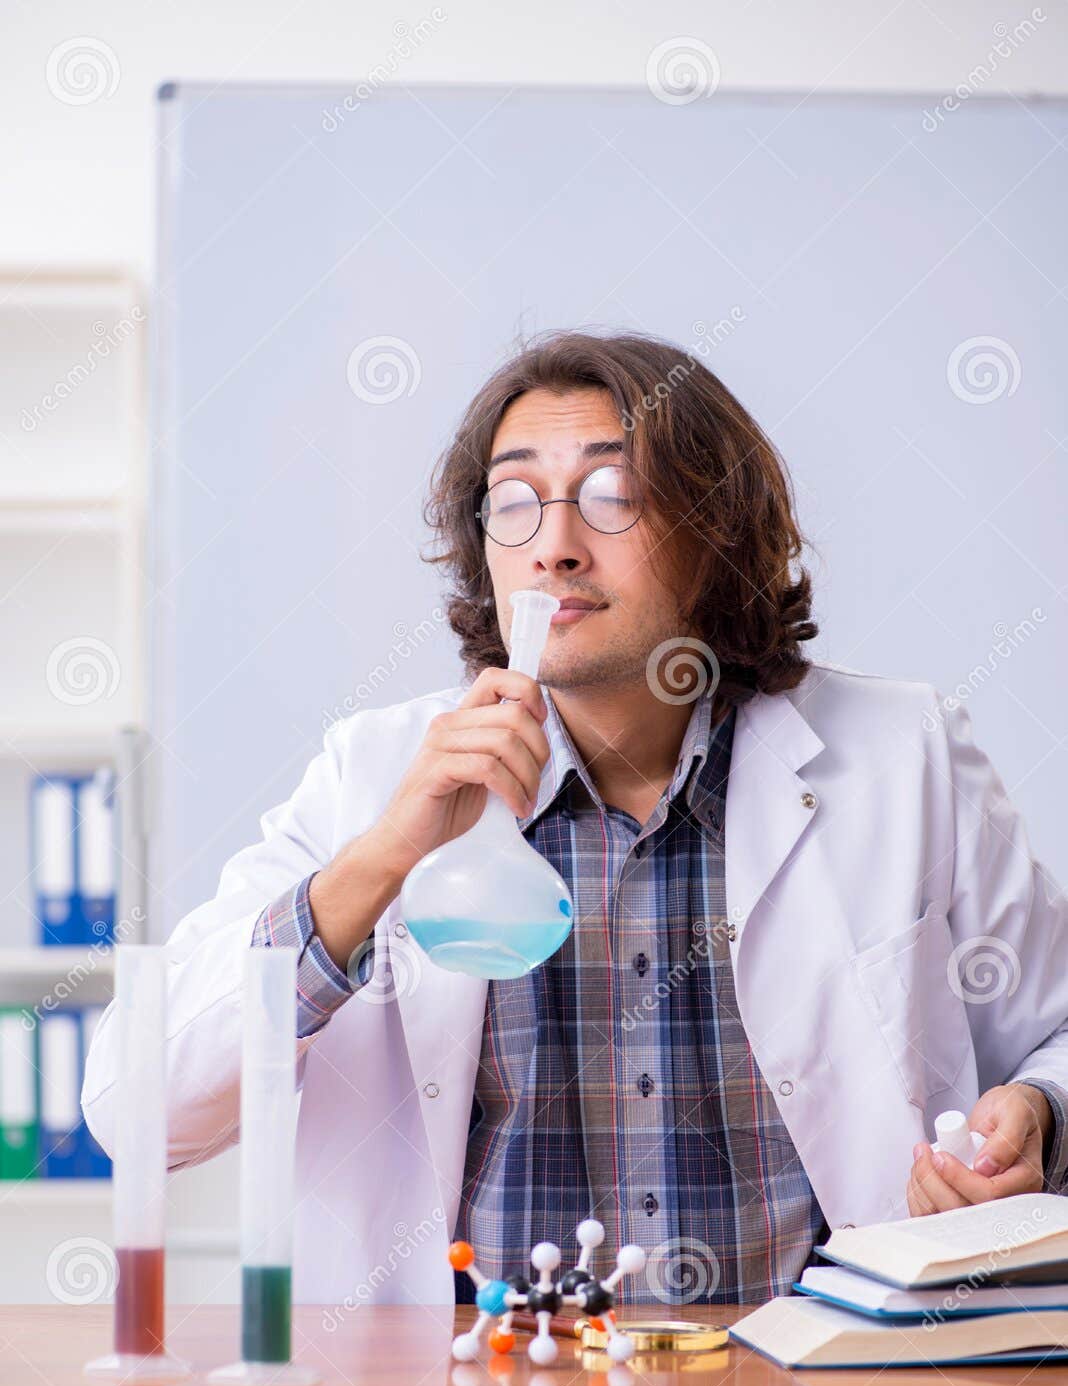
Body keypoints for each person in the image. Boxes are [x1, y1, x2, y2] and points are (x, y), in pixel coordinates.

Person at [83, 330, 1068, 1308]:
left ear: (716, 533)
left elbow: (1055, 1037)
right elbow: (136, 1105)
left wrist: (1038, 1116)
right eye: (514, 503)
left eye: (613, 495)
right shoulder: (375, 777)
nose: (554, 544)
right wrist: (383, 859)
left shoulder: (904, 755)